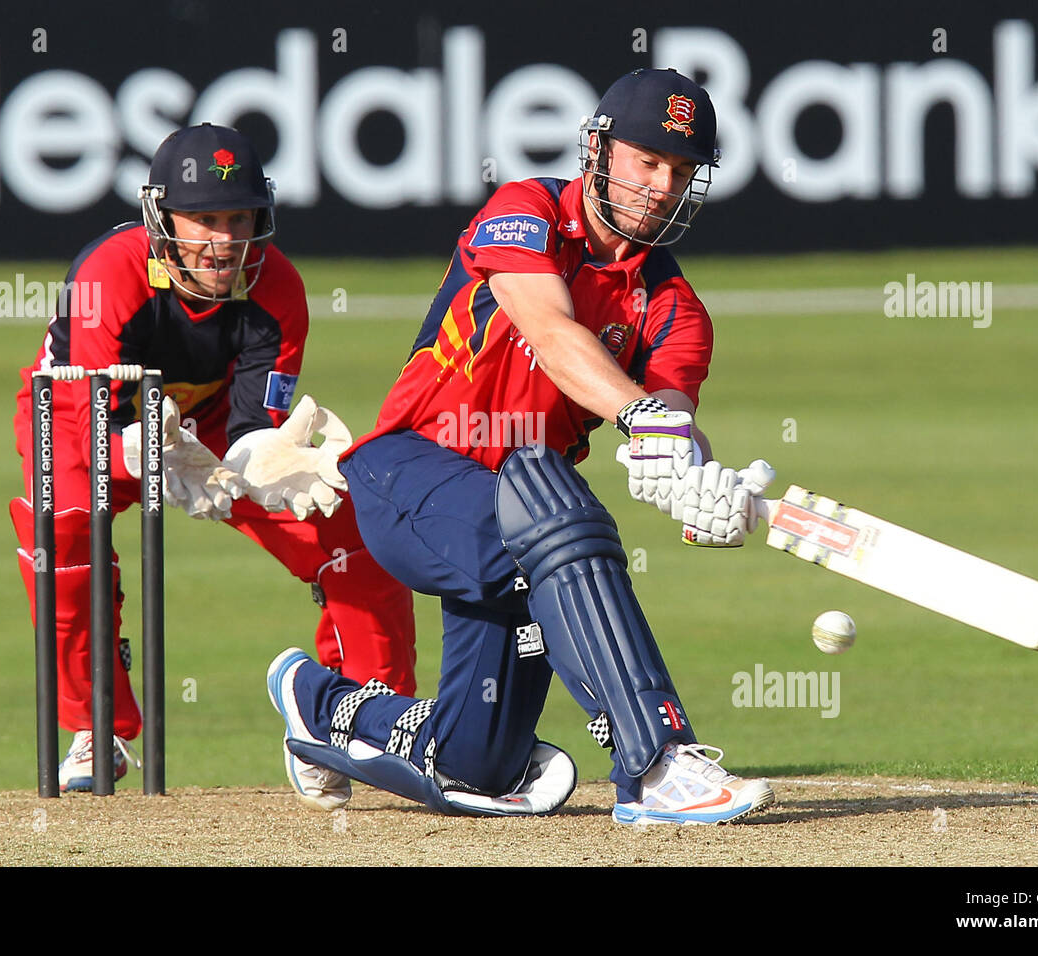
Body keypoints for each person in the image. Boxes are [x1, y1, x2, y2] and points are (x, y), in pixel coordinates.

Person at [265, 69, 778, 825]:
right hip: (409, 473)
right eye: (646, 161)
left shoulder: (676, 310)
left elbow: (669, 413)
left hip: (521, 534)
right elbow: (552, 331)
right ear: (599, 151)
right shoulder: (526, 211)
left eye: (679, 170)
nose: (662, 186)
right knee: (554, 496)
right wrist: (646, 422)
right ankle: (658, 764)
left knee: (482, 765)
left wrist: (697, 477)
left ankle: (320, 704)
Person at [10, 123, 416, 792]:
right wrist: (146, 452)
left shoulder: (277, 289)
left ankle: (361, 723)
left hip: (213, 418)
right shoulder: (109, 274)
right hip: (82, 417)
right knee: (64, 530)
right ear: (161, 216)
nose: (223, 239)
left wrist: (262, 459)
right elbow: (88, 411)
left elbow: (259, 425)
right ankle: (97, 731)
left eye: (238, 218)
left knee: (352, 530)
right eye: (202, 220)